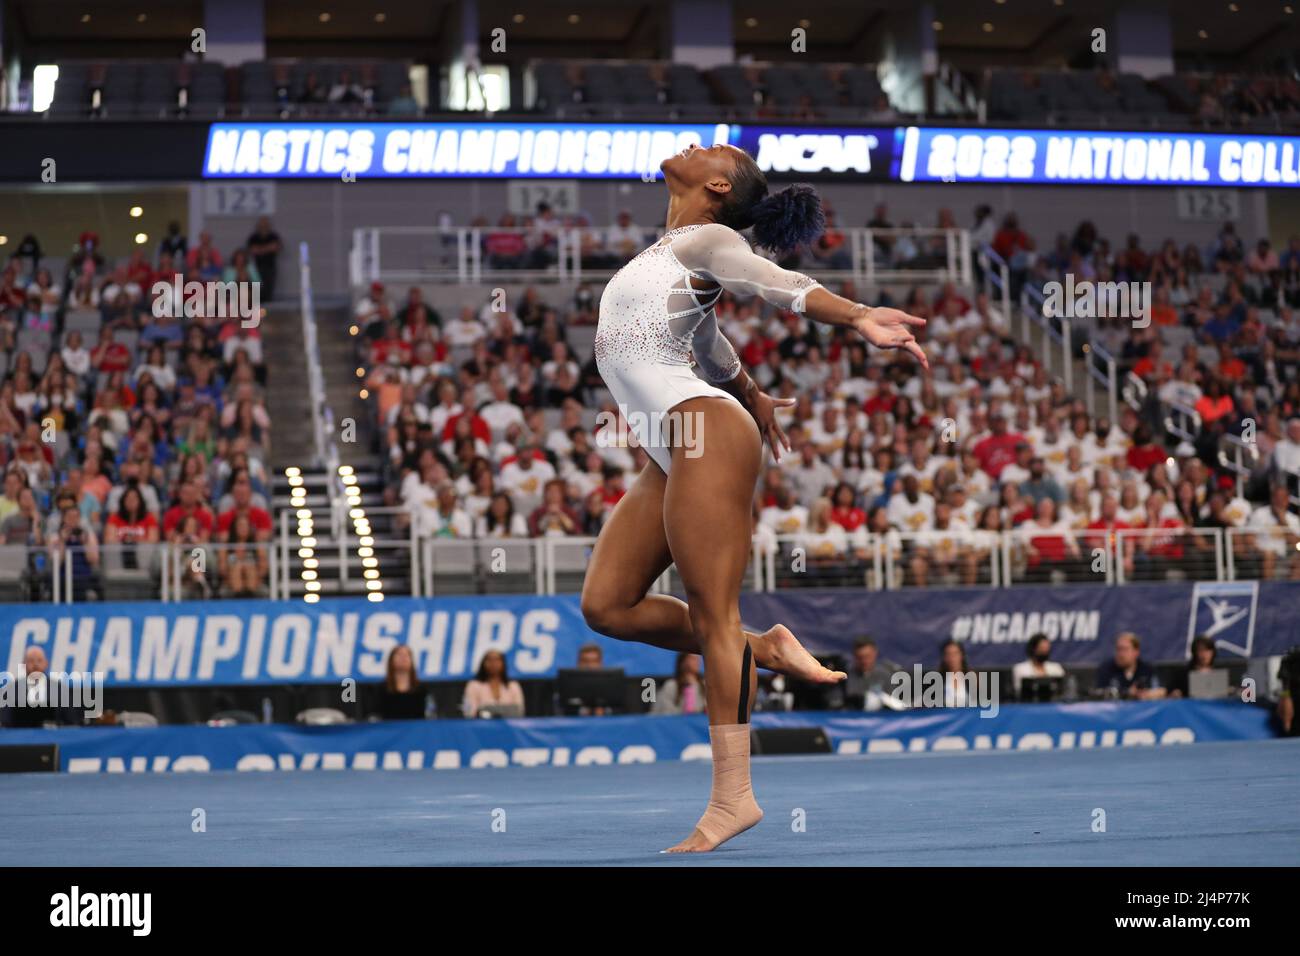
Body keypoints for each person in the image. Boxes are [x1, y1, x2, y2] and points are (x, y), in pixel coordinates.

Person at [578, 141, 927, 853]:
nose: (695, 144)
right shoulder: (673, 253)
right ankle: (762, 647)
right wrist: (756, 393)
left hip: (700, 431)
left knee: (712, 614)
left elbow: (775, 281)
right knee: (607, 605)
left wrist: (857, 314)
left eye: (714, 149)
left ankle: (733, 797)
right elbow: (705, 341)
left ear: (715, 184)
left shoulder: (713, 238)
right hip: (674, 445)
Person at [1095, 632, 1165, 700]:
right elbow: (1099, 693)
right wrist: (1127, 693)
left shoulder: (1146, 669)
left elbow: (1161, 691)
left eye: (1125, 649)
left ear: (1136, 652)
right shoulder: (1106, 669)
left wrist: (1147, 694)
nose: (1121, 654)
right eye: (1118, 649)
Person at [461, 649, 525, 717]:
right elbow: (467, 711)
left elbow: (520, 711)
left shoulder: (513, 686)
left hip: (508, 726)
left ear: (503, 663)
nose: (493, 663)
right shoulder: (473, 685)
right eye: (489, 660)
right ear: (483, 663)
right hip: (480, 726)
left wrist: (488, 711)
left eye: (497, 660)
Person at [372, 645, 428, 721]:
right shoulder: (381, 689)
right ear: (391, 660)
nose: (403, 658)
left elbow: (427, 716)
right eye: (399, 654)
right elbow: (375, 717)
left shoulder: (421, 689)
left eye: (407, 655)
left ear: (411, 661)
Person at [1011, 633, 1066, 699]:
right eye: (1042, 648)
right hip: (1028, 705)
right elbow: (1018, 691)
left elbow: (1061, 690)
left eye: (1047, 648)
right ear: (1033, 649)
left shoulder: (1056, 668)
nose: (1045, 651)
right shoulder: (1020, 669)